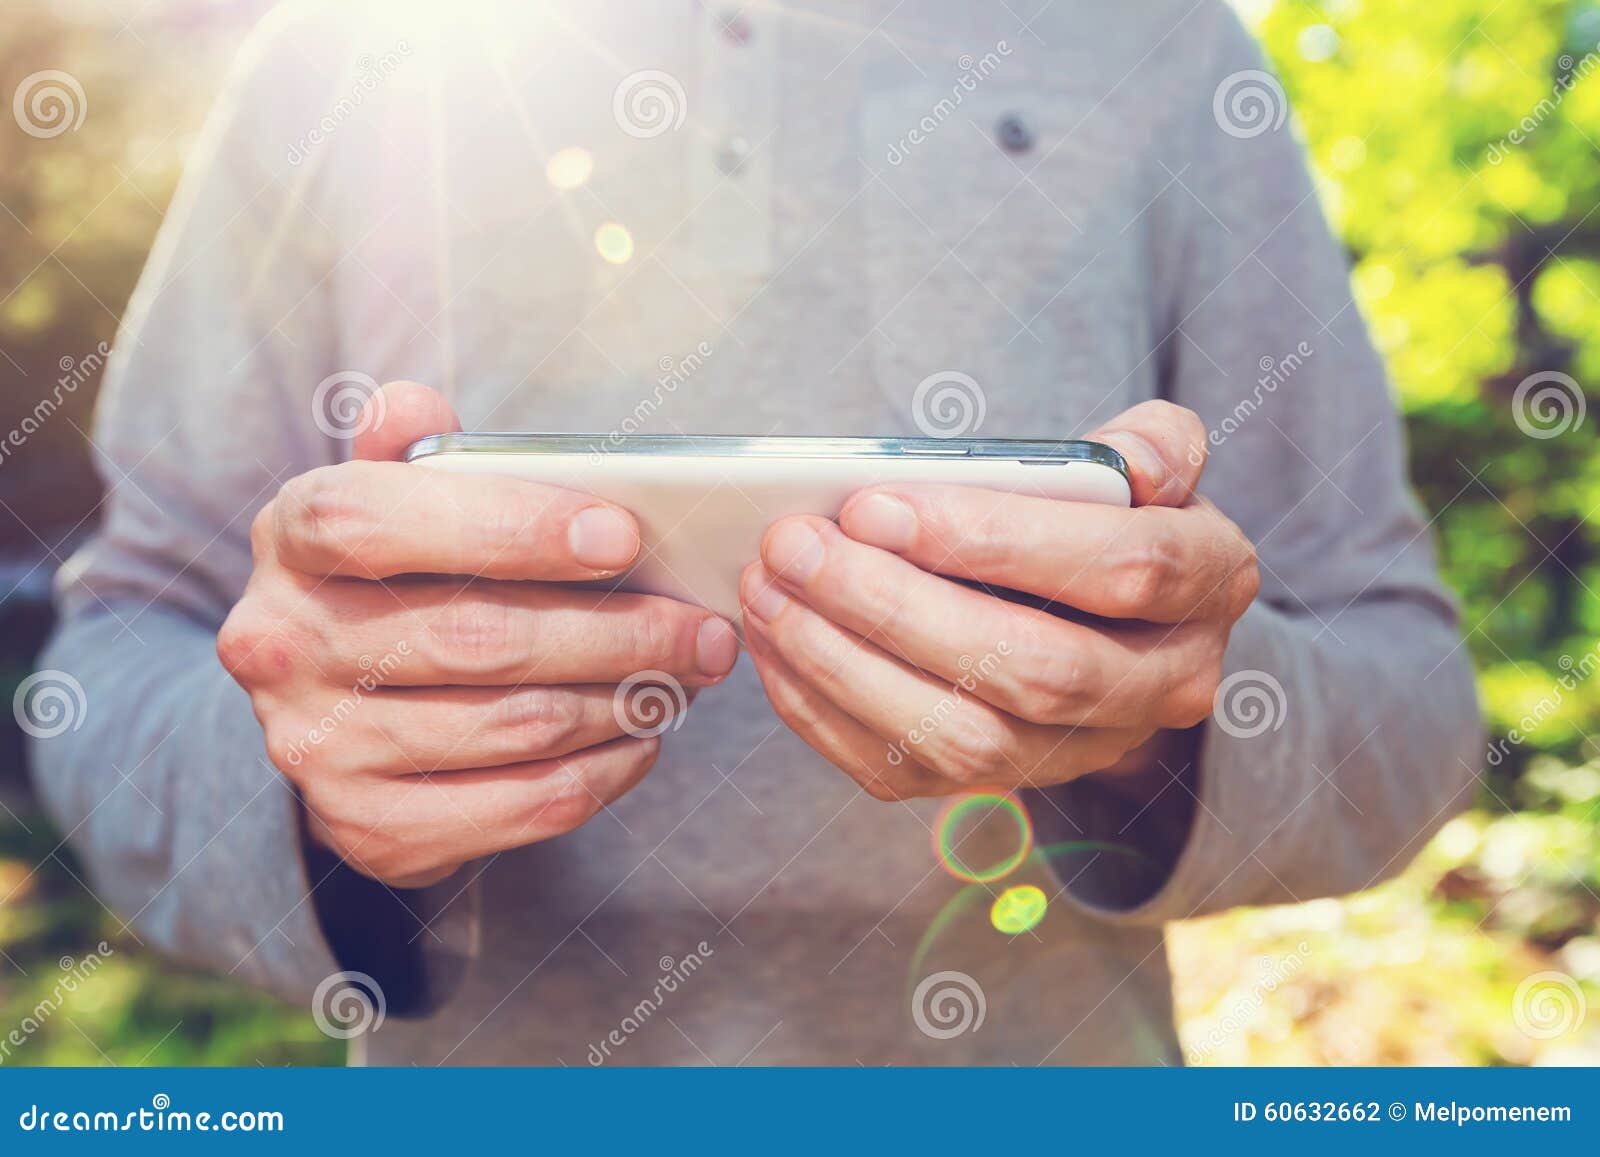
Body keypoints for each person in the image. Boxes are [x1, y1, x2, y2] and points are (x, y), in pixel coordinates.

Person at [33, 0, 1480, 1064]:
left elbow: (1410, 695)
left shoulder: (1161, 47)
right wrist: (306, 796)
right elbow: (114, 655)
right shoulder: (339, 62)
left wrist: (1165, 729)